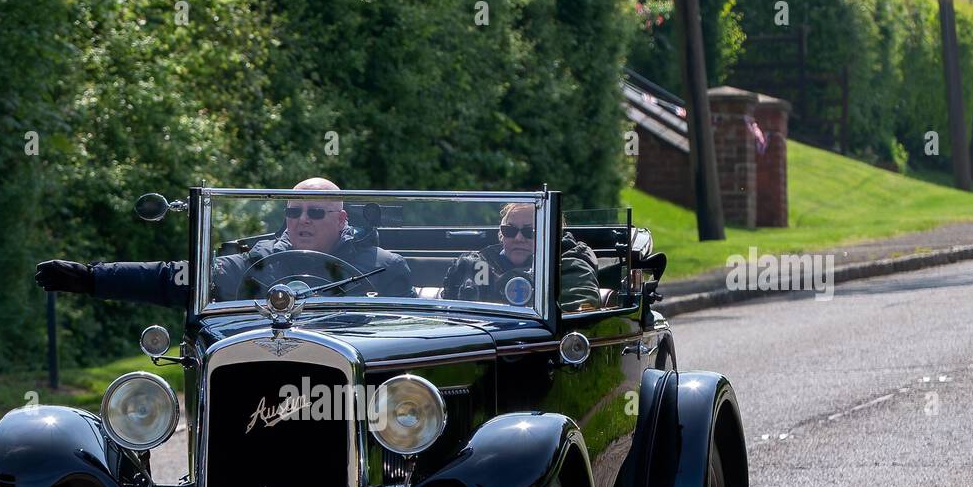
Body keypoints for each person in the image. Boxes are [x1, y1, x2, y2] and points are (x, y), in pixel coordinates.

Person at [34, 178, 411, 306]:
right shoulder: (257, 263)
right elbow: (176, 279)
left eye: (315, 213)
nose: (301, 221)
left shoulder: (381, 267)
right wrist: (90, 278)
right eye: (294, 212)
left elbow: (403, 342)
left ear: (341, 219)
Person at [441, 201, 600, 309]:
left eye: (529, 232)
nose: (518, 238)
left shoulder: (570, 263)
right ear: (501, 235)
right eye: (509, 230)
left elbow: (579, 312)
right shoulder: (480, 264)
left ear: (551, 235)